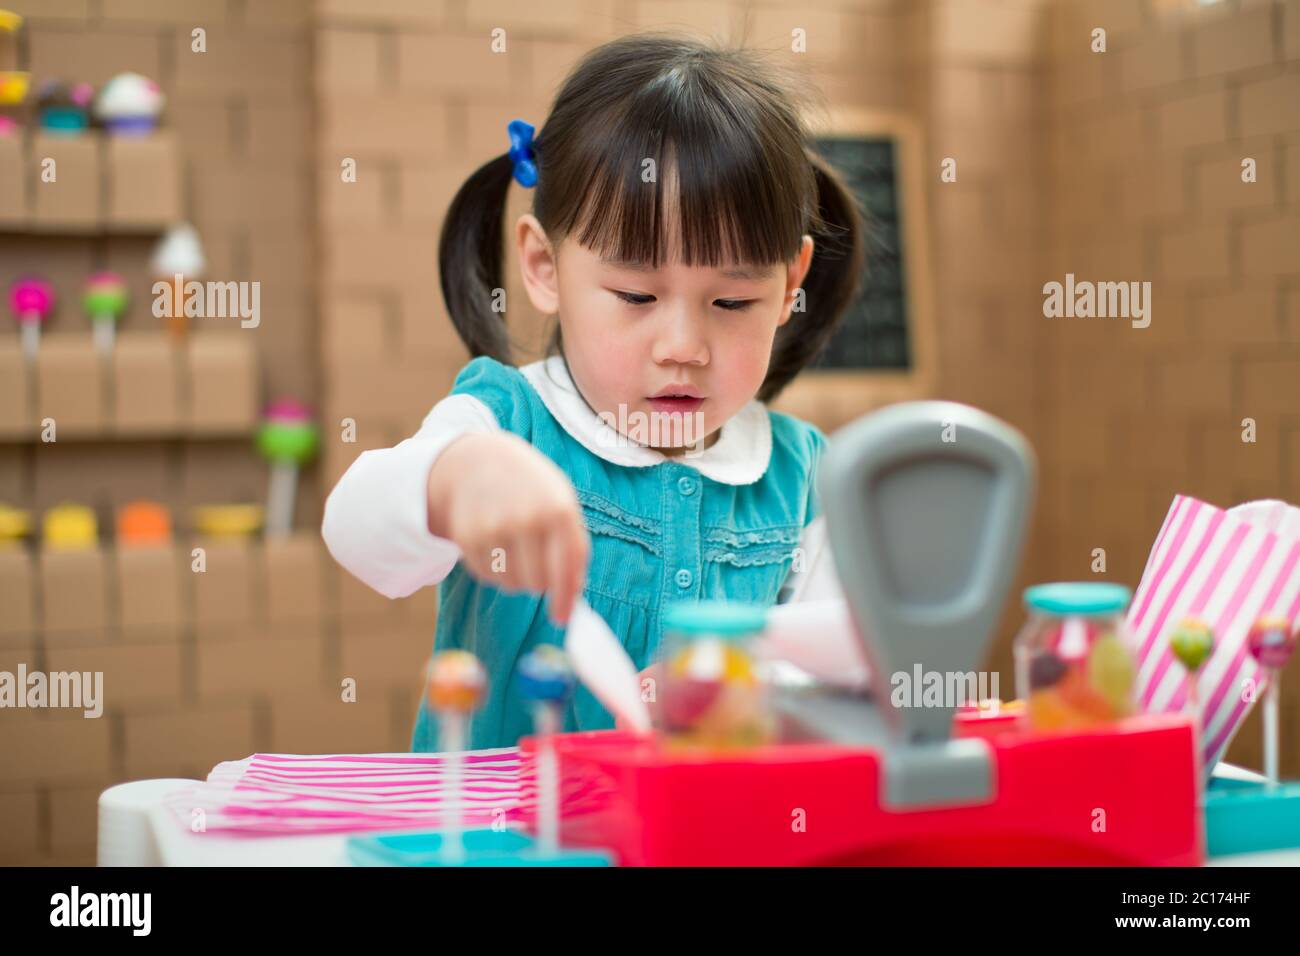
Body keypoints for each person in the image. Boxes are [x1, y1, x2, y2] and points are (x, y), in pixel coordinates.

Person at [323, 32, 865, 751]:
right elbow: (355, 531)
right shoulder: (501, 422)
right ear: (544, 267)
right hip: (508, 842)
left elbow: (837, 676)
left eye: (731, 303)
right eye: (637, 295)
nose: (683, 347)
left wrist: (751, 685)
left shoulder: (803, 479)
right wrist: (454, 478)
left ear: (791, 283)